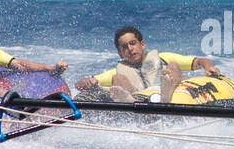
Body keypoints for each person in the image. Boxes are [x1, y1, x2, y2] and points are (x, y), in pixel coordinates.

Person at [75, 25, 221, 104]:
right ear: (120, 53)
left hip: (168, 95)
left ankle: (166, 95)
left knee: (174, 66)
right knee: (117, 79)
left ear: (142, 44)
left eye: (133, 43)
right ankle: (130, 102)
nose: (130, 49)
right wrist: (88, 82)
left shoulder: (163, 58)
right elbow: (79, 84)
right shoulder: (119, 70)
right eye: (124, 47)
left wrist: (208, 67)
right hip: (139, 100)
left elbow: (199, 61)